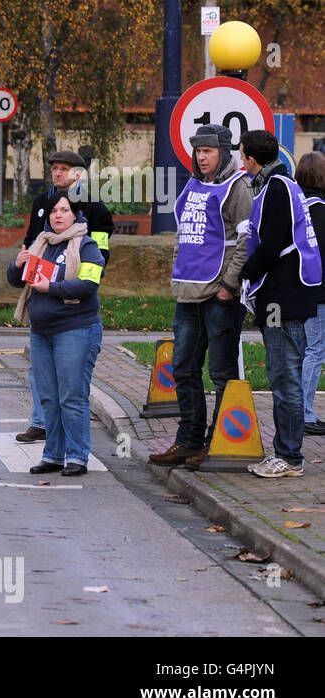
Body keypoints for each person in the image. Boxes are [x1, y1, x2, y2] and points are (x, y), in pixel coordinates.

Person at [148, 124, 251, 471]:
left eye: (207, 151)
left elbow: (246, 242)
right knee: (183, 368)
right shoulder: (192, 184)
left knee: (221, 372)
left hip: (219, 296)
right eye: (198, 151)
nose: (201, 157)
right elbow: (184, 235)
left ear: (223, 151)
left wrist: (228, 286)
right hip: (187, 293)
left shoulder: (238, 188)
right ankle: (188, 439)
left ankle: (214, 442)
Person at [237, 130, 322, 477]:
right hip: (284, 298)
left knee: (284, 374)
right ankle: (286, 453)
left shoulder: (276, 189)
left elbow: (271, 246)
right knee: (281, 371)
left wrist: (244, 273)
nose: (241, 163)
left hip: (280, 302)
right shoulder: (282, 186)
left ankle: (288, 457)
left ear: (252, 159)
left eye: (242, 157)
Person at [15, 149, 114, 444]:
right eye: (55, 168)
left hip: (73, 294)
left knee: (69, 375)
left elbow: (101, 248)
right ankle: (40, 422)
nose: (57, 173)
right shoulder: (42, 202)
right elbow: (32, 240)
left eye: (64, 169)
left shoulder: (93, 205)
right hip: (42, 294)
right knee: (40, 367)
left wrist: (89, 274)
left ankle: (71, 444)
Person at [7, 191, 105, 476]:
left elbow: (88, 285)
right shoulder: (42, 243)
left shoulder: (86, 246)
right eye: (53, 211)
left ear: (75, 215)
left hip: (76, 330)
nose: (57, 215)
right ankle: (53, 455)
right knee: (49, 397)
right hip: (41, 332)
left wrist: (52, 288)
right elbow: (17, 280)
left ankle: (76, 457)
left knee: (71, 397)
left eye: (63, 210)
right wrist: (17, 264)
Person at [296, 152, 325, 436]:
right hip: (318, 292)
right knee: (315, 351)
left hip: (301, 288)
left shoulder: (299, 204)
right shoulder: (319, 208)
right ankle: (304, 413)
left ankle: (299, 411)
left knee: (304, 351)